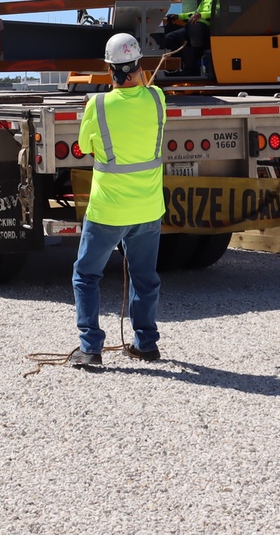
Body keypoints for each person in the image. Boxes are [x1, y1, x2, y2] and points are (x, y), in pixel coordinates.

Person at [68, 33, 166, 369]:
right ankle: (146, 344)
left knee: (86, 275)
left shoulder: (97, 106)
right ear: (139, 65)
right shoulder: (157, 99)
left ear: (109, 70)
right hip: (149, 207)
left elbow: (85, 146)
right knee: (145, 277)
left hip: (108, 209)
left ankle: (91, 349)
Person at [160, 0, 216, 75]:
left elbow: (218, 12)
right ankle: (176, 67)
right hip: (193, 27)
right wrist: (179, 16)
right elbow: (194, 14)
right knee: (170, 38)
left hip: (205, 28)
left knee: (188, 42)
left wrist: (201, 15)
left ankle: (187, 70)